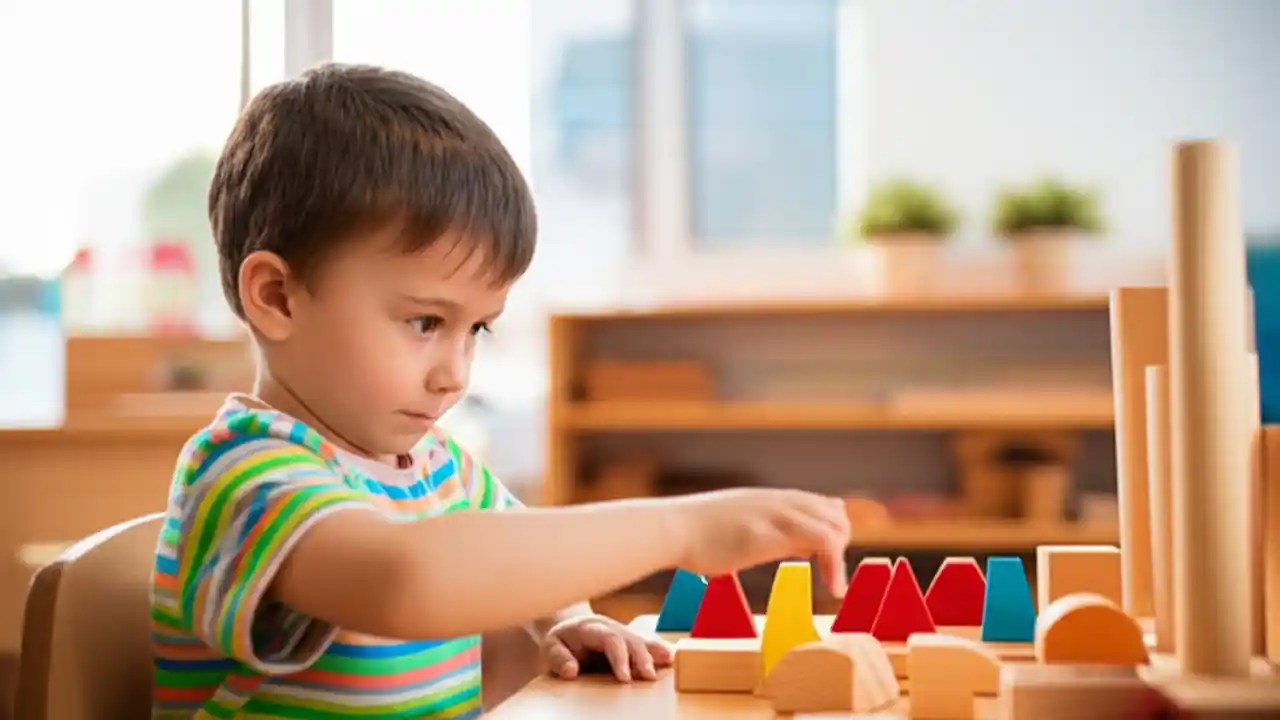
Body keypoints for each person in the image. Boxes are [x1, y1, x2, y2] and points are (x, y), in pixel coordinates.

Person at [150, 63, 851, 719]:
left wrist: (569, 619)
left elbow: (522, 550)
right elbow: (408, 581)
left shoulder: (434, 465)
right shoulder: (244, 473)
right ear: (277, 296)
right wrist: (681, 528)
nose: (454, 373)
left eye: (476, 329)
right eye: (425, 322)